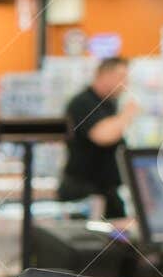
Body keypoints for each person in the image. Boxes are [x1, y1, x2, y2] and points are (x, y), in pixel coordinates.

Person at [59, 57, 139, 220]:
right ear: (104, 75)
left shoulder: (109, 104)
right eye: (121, 76)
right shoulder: (83, 102)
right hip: (85, 193)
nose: (125, 82)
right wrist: (126, 115)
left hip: (107, 191)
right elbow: (102, 136)